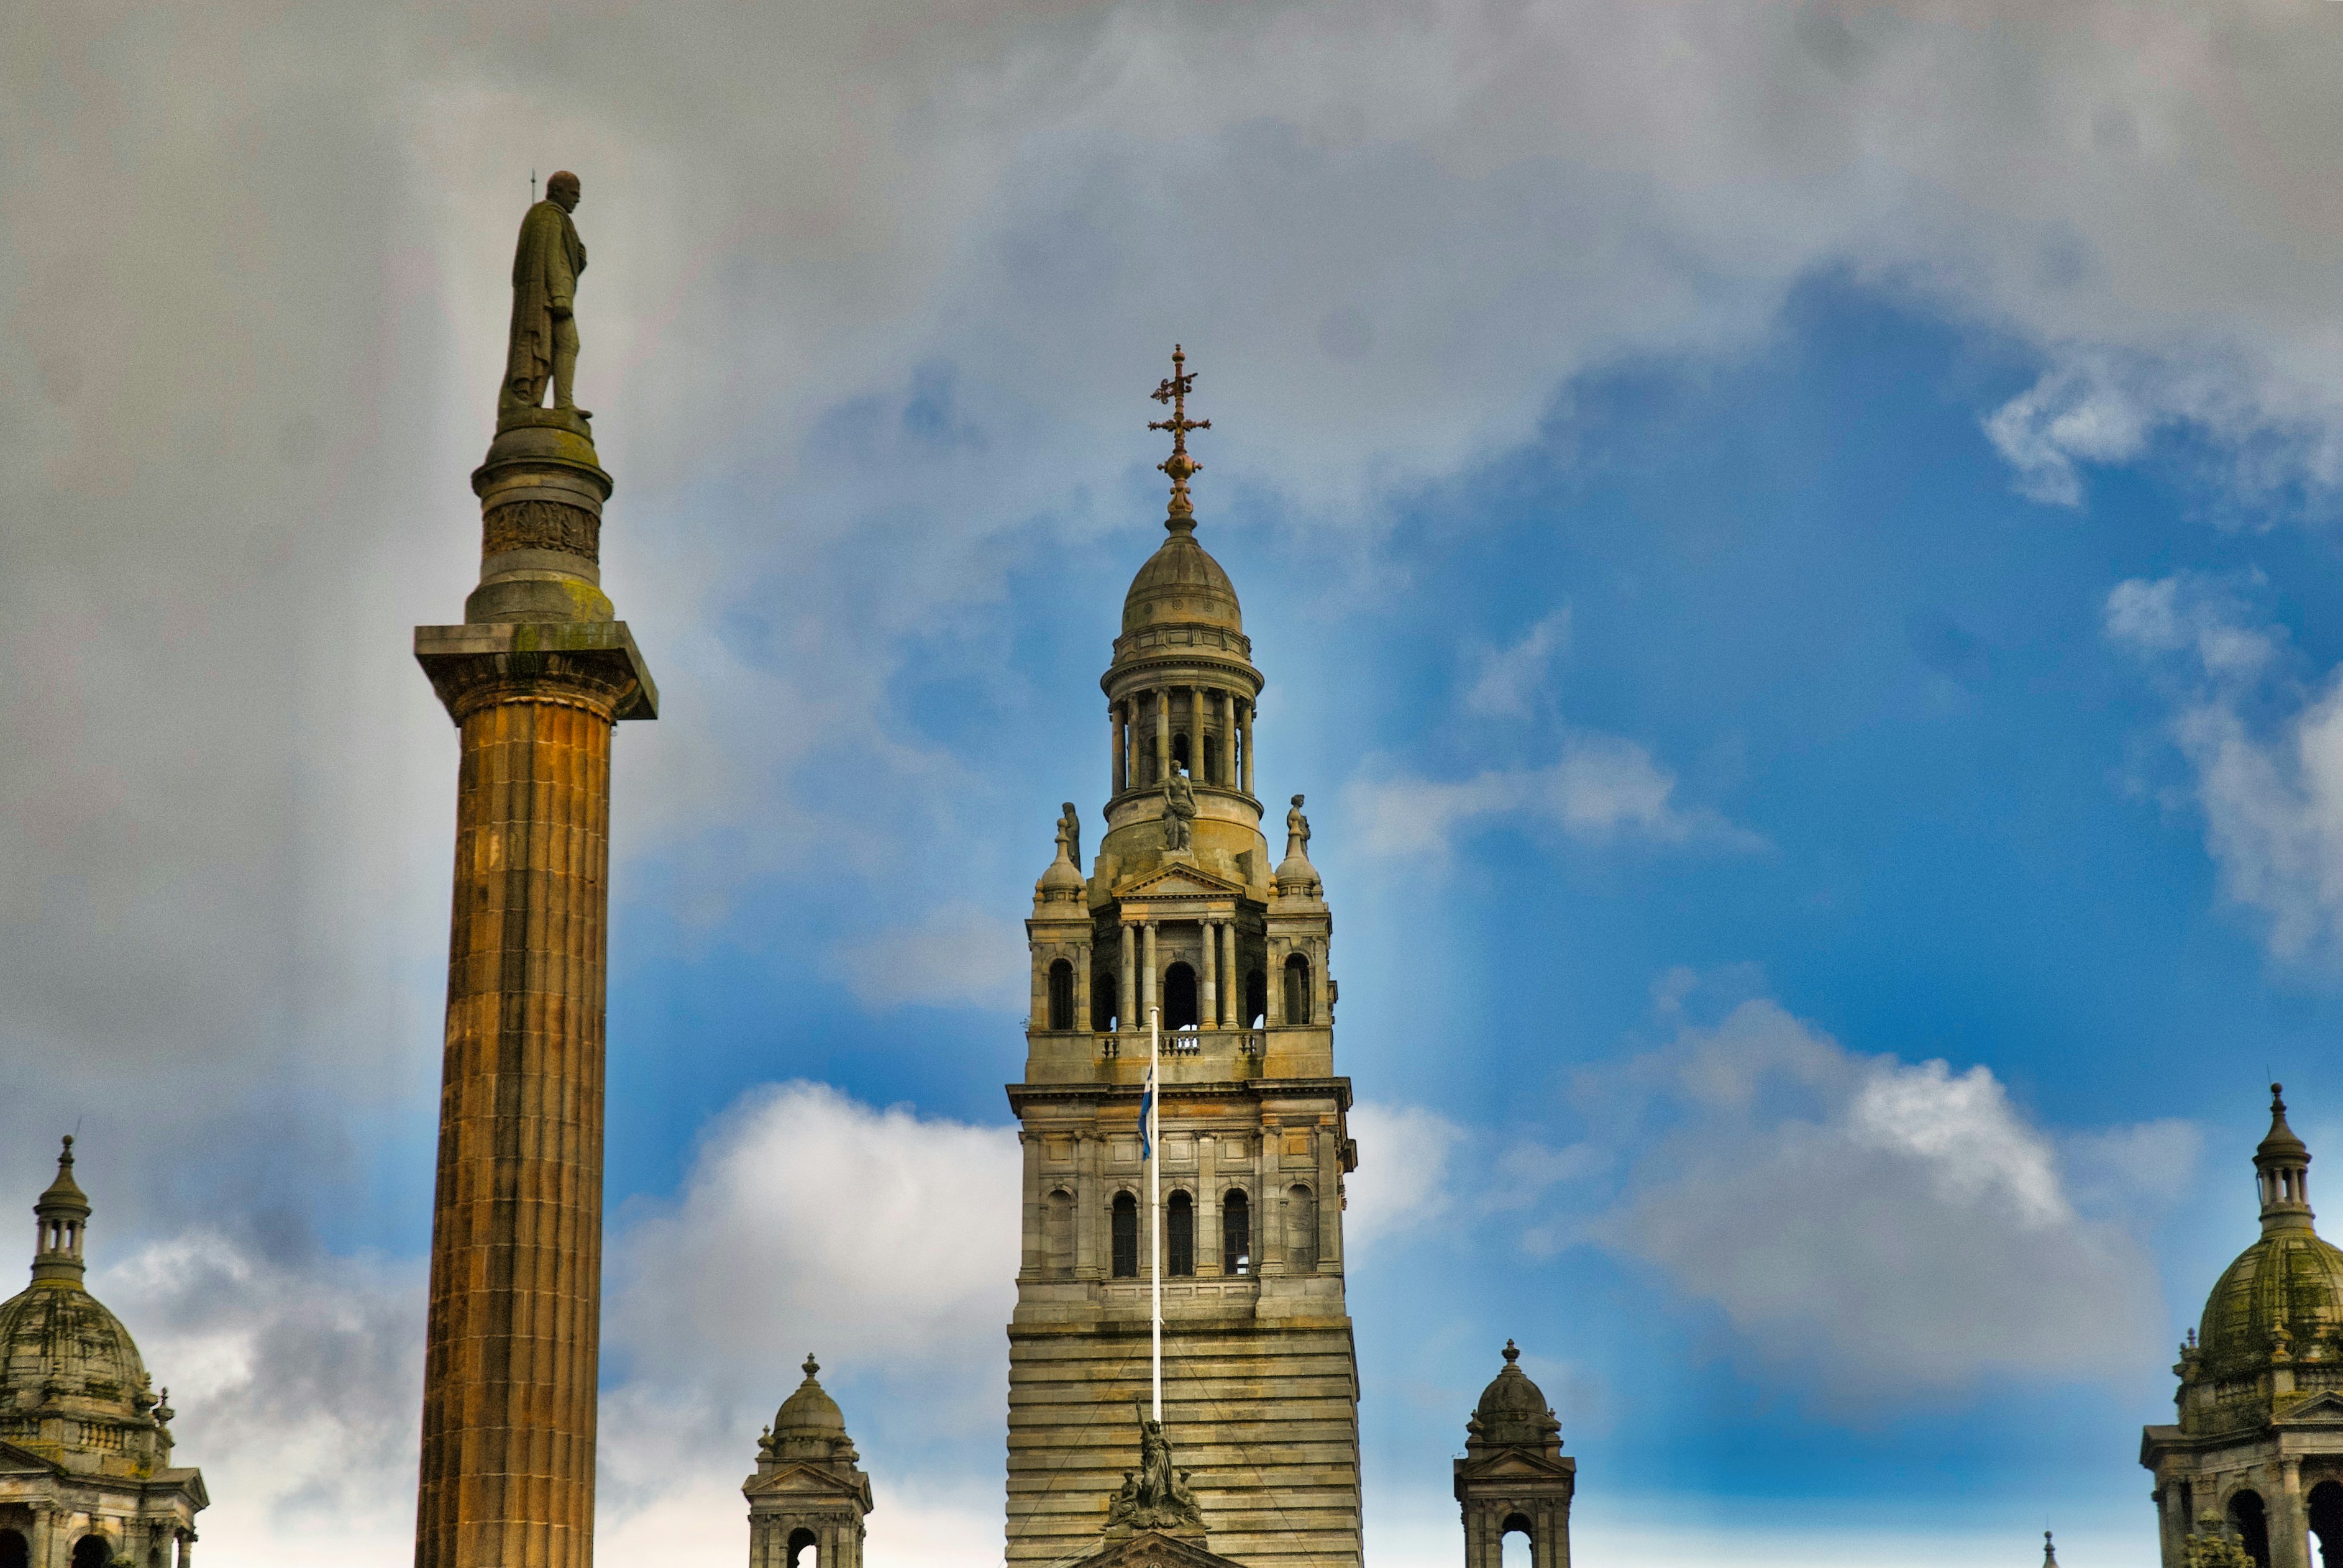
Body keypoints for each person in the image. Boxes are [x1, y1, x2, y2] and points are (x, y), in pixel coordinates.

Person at [502, 170, 588, 419]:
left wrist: (578, 256)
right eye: (573, 194)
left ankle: (563, 404)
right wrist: (560, 296)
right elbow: (548, 257)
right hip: (550, 298)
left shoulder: (558, 219)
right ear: (557, 191)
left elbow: (565, 258)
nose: (578, 199)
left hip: (553, 297)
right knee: (565, 344)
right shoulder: (549, 216)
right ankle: (556, 403)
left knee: (562, 345)